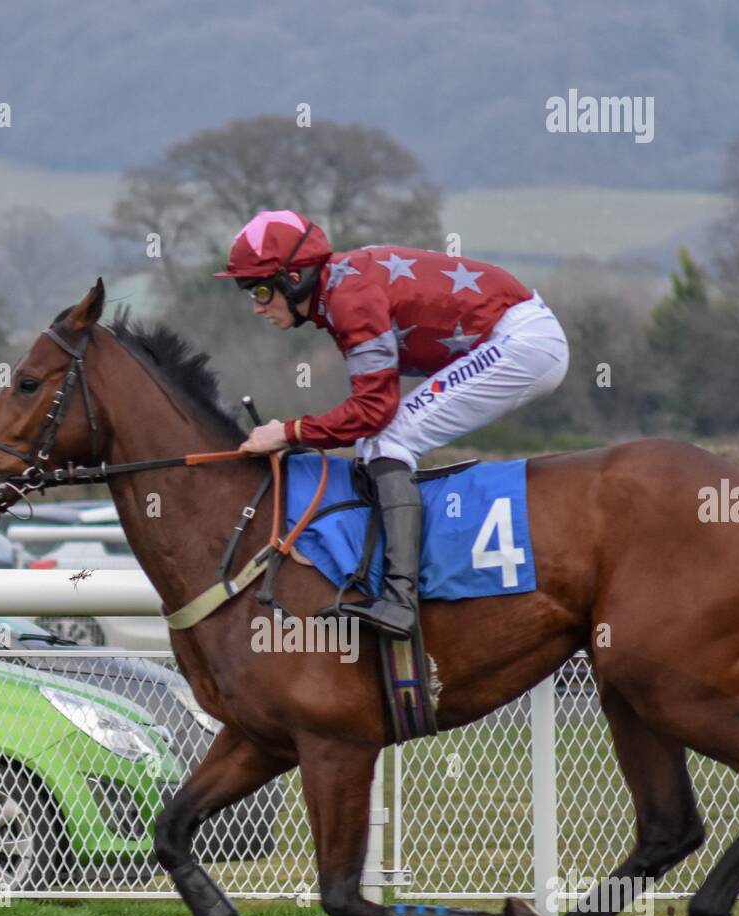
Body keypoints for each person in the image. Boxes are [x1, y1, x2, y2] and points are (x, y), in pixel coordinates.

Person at [217, 209, 569, 638]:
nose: (256, 307)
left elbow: (373, 409)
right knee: (377, 442)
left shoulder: (349, 298)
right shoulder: (337, 290)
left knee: (388, 437)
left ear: (294, 278)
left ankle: (400, 599)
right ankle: (387, 581)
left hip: (523, 344)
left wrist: (288, 432)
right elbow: (370, 410)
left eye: (260, 289)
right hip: (519, 335)